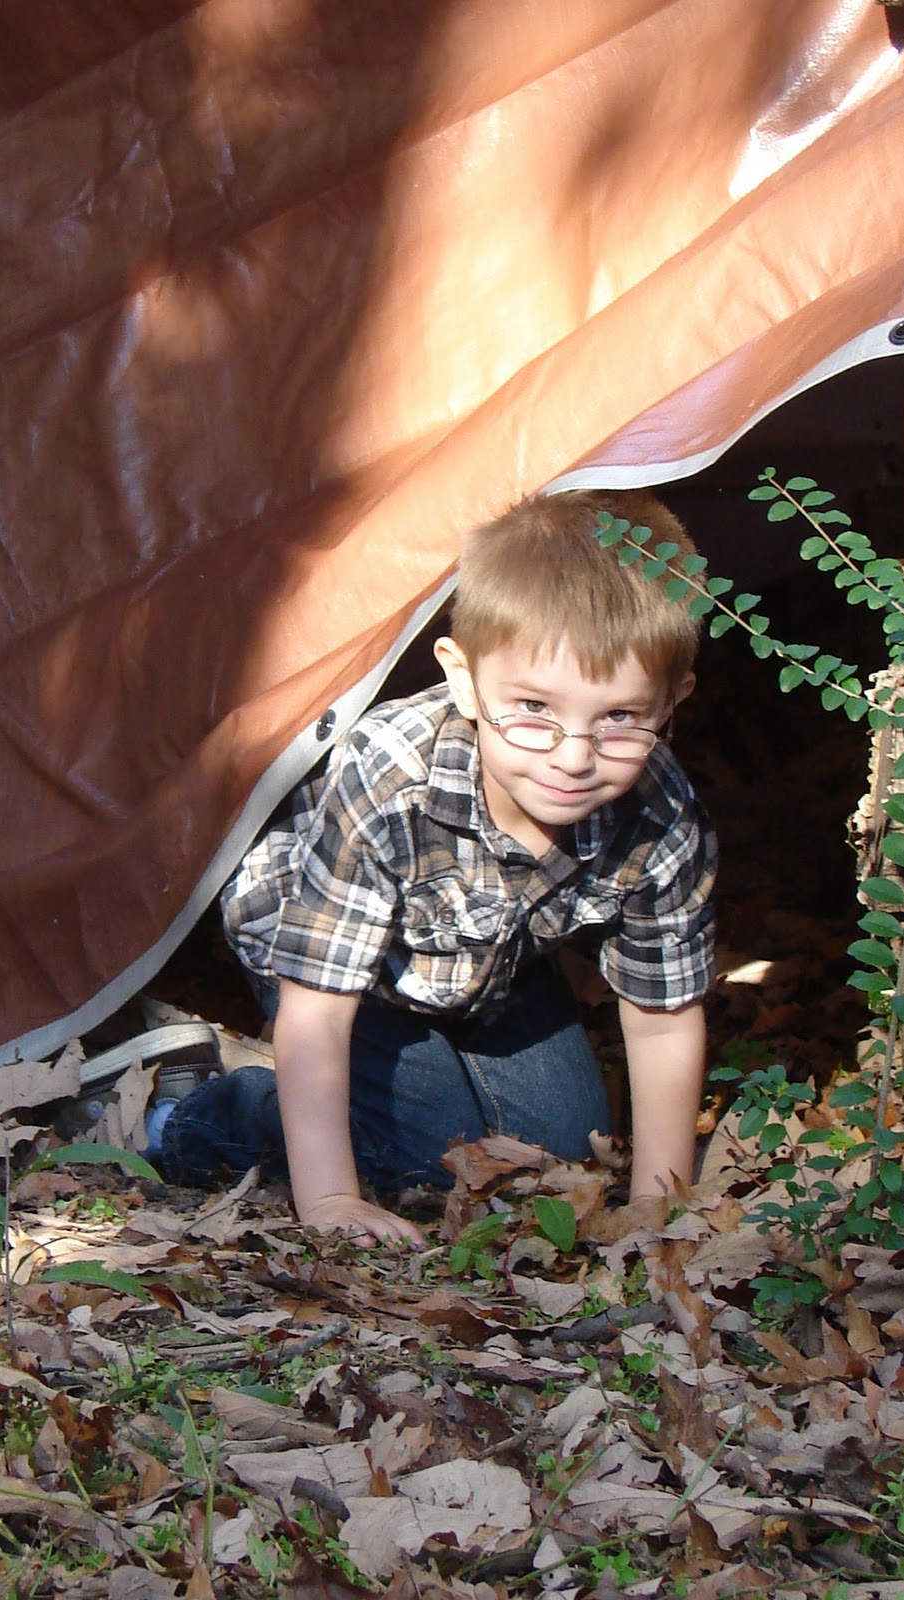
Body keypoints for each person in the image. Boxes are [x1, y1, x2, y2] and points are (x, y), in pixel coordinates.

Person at [154, 490, 717, 1245]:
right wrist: (329, 1202)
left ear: (673, 698)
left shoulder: (662, 816)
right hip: (331, 961)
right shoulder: (392, 778)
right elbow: (318, 1007)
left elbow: (662, 1019)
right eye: (533, 709)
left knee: (546, 1161)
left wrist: (658, 1204)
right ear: (461, 675)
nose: (573, 756)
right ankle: (204, 1110)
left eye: (618, 717)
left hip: (487, 968)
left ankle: (393, 1092)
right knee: (427, 1157)